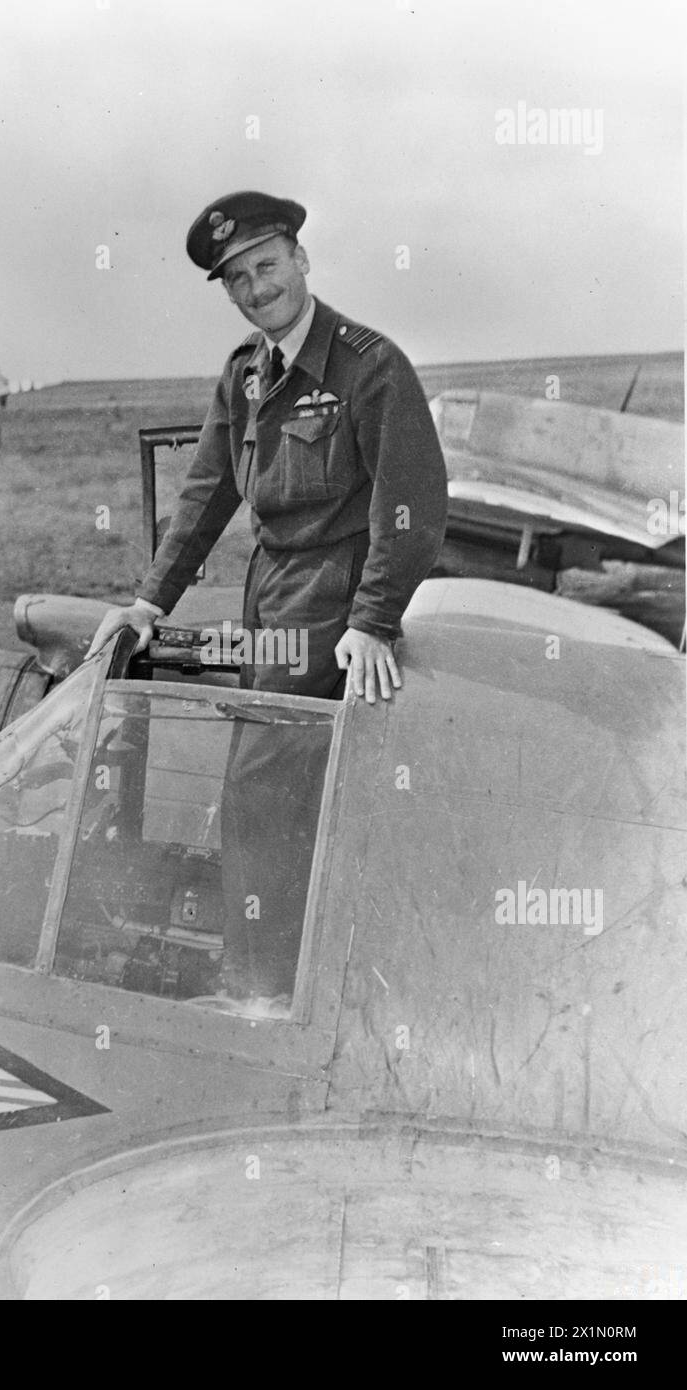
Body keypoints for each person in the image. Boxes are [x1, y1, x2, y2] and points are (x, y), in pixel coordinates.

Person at [87, 191, 448, 998]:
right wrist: (150, 602)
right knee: (270, 785)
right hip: (269, 595)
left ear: (300, 260)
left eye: (267, 266)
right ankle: (278, 970)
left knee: (260, 787)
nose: (257, 288)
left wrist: (373, 619)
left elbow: (411, 505)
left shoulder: (367, 364)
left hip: (332, 590)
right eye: (237, 279)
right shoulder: (245, 374)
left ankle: (259, 988)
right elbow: (207, 492)